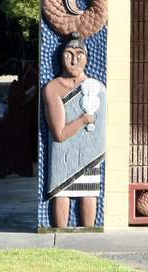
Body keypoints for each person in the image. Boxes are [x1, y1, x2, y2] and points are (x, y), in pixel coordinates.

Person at [43, 33, 106, 228]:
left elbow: (100, 130)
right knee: (62, 191)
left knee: (89, 191)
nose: (74, 60)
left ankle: (89, 231)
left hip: (89, 153)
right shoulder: (52, 88)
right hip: (63, 153)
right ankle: (60, 231)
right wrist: (81, 120)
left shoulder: (96, 88)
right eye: (69, 54)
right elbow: (59, 134)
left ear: (87, 58)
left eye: (79, 55)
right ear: (61, 57)